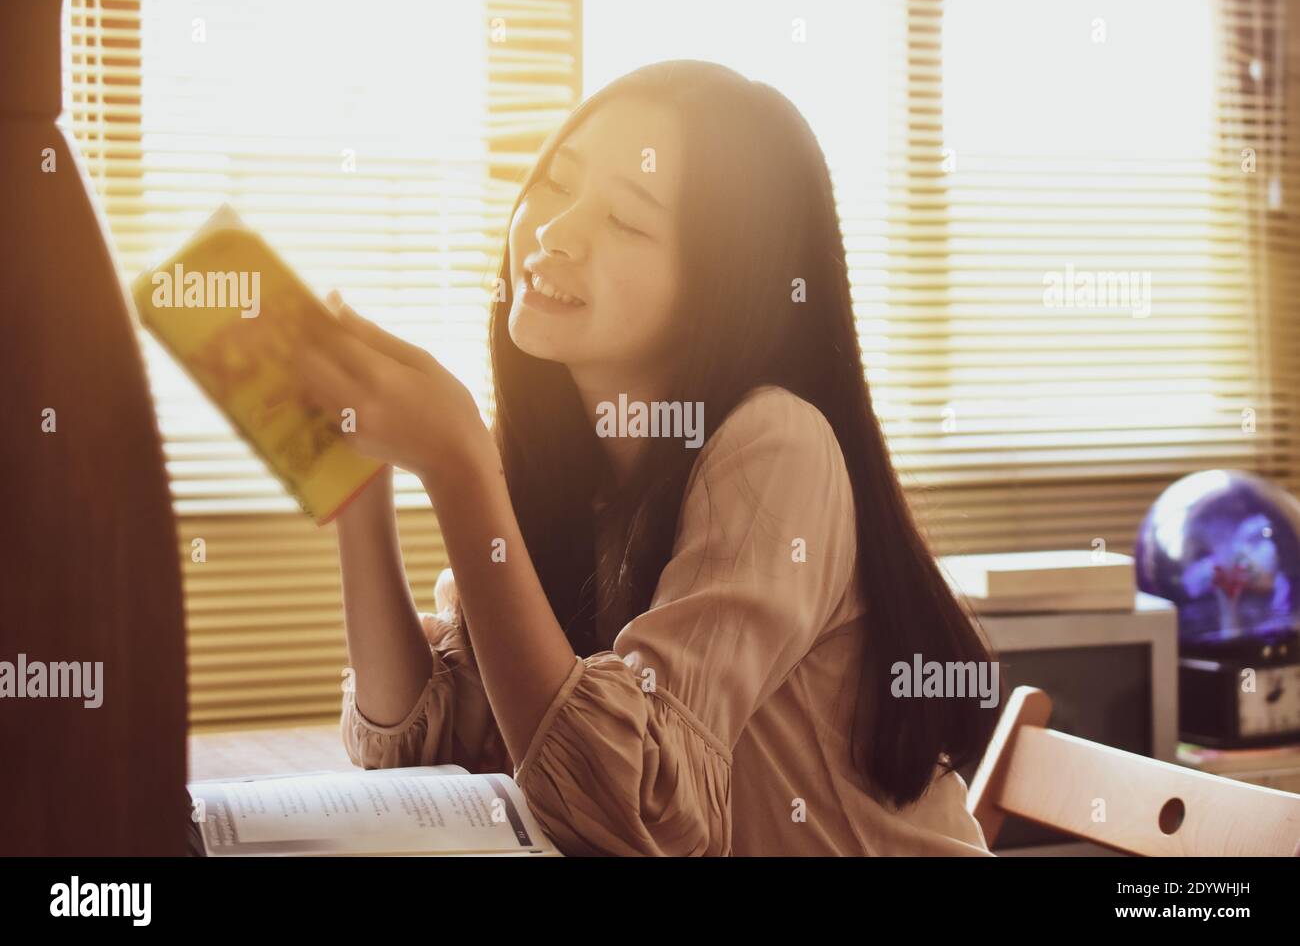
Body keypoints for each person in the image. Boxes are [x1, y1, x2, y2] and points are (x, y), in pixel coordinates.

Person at [294, 59, 1000, 856]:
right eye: (558, 183)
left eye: (627, 221)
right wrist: (356, 486)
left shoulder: (777, 443)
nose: (555, 232)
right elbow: (424, 756)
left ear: (724, 282)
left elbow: (630, 811)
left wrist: (456, 467)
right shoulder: (565, 464)